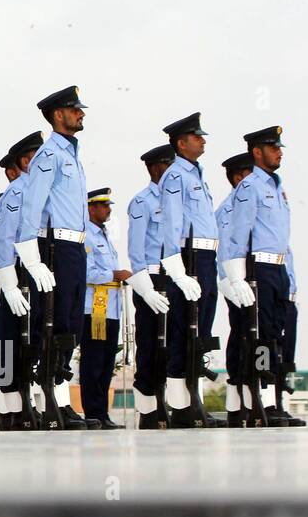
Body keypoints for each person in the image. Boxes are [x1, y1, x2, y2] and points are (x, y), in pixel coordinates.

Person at [14, 86, 90, 429]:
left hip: (74, 247)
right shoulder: (50, 155)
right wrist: (32, 257)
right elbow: (32, 205)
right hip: (55, 247)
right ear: (58, 115)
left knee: (71, 324)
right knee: (54, 322)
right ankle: (48, 400)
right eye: (75, 109)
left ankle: (59, 397)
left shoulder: (72, 154)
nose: (81, 114)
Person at [221, 126, 301, 425]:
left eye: (279, 146)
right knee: (261, 336)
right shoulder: (250, 187)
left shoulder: (276, 187)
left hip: (278, 268)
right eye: (273, 147)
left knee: (276, 335)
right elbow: (238, 235)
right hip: (260, 268)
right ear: (257, 152)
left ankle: (273, 400)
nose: (279, 151)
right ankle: (263, 400)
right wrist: (236, 277)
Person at [157, 113, 222, 427]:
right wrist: (177, 270)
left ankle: (193, 401)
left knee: (201, 334)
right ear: (182, 143)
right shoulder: (175, 176)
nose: (203, 140)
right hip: (188, 257)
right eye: (197, 136)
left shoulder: (196, 174)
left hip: (206, 258)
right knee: (185, 332)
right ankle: (181, 407)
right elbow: (171, 223)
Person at [0, 131, 42, 430]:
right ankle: (10, 411)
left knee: (29, 343)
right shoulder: (10, 197)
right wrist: (3, 284)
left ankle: (24, 405)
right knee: (9, 347)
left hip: (28, 276)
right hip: (11, 281)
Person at [127, 144, 175, 429]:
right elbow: (136, 251)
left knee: (170, 345)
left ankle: (165, 403)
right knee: (149, 345)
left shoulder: (176, 200)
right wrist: (146, 289)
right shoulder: (142, 202)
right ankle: (147, 410)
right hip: (151, 279)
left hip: (174, 277)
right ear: (157, 167)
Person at [81, 188, 131, 428]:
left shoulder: (105, 236)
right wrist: (113, 274)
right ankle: (92, 412)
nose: (108, 209)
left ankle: (102, 413)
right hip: (94, 307)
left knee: (107, 362)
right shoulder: (86, 237)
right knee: (94, 362)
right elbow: (86, 272)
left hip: (110, 307)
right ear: (91, 208)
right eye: (103, 205)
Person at [215, 150, 255, 426]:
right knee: (241, 336)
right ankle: (235, 403)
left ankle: (259, 401)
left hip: (257, 279)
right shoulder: (227, 210)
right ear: (238, 177)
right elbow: (225, 252)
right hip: (234, 281)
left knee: (259, 339)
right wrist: (232, 285)